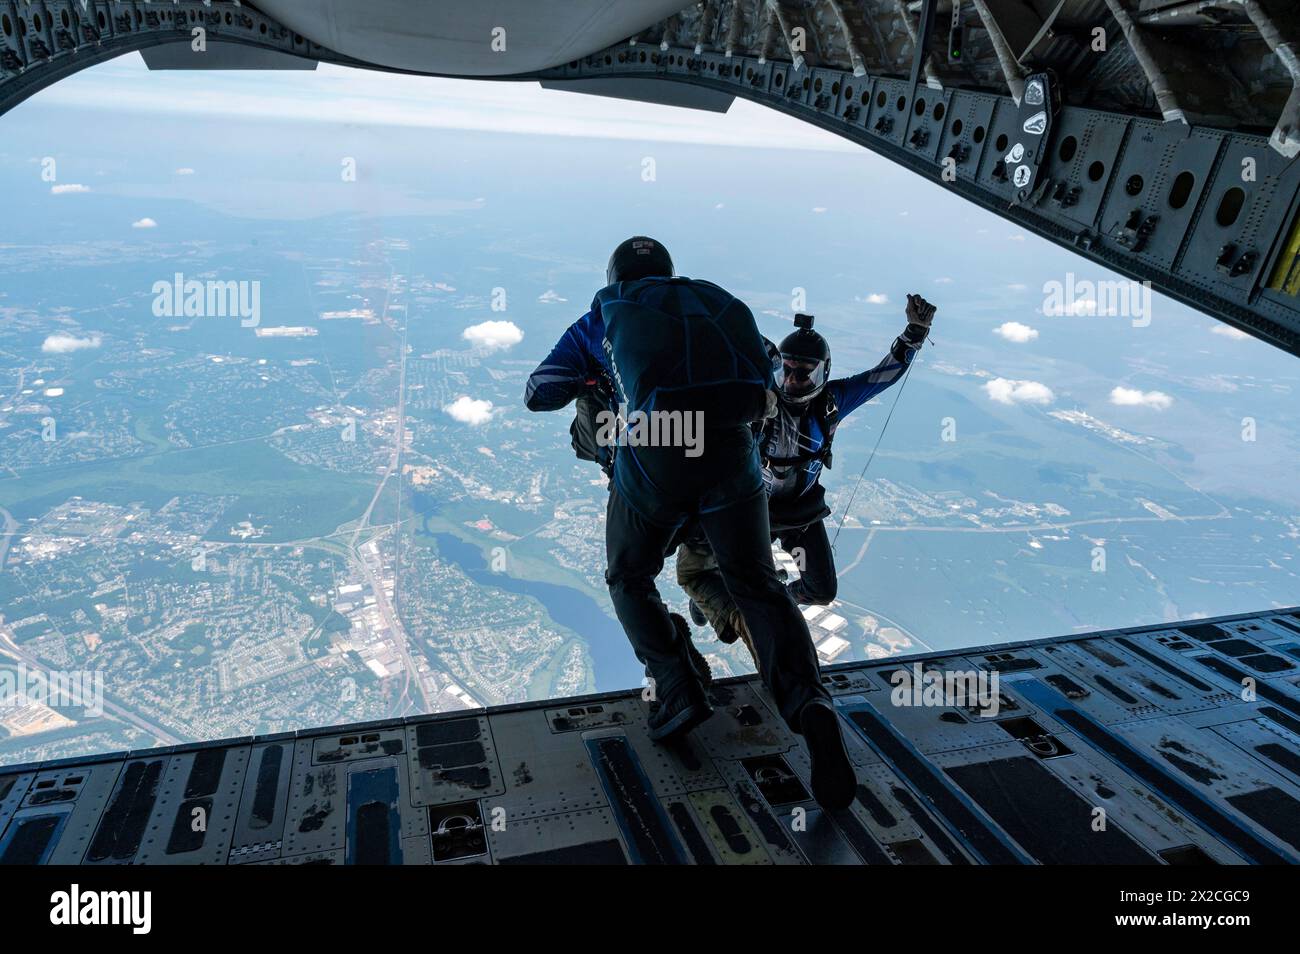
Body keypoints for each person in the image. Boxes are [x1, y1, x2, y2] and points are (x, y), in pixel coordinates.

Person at [525, 236, 857, 810]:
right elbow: (769, 372)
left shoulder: (604, 313)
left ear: (617, 275)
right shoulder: (713, 303)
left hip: (657, 450)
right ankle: (810, 706)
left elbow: (537, 393)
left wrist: (593, 380)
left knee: (629, 576)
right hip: (734, 454)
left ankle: (676, 684)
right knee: (756, 585)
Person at [678, 297, 936, 663]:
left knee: (821, 590)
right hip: (754, 508)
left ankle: (773, 595)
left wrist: (915, 333)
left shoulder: (830, 402)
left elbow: (881, 377)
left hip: (799, 512)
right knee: (714, 574)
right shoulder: (762, 396)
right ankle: (705, 600)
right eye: (787, 370)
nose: (794, 380)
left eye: (806, 373)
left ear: (823, 374)